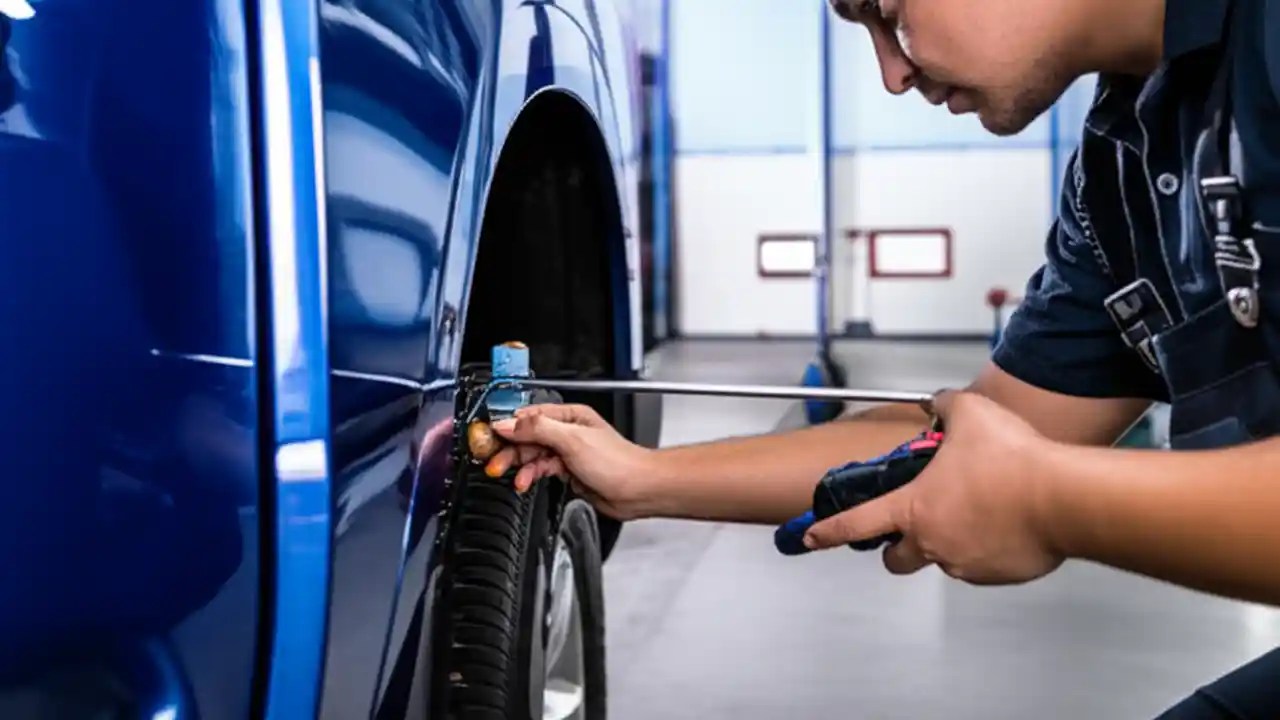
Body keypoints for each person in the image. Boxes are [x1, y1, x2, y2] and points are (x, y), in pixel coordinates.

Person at [489, 0, 1280, 715]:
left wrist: (1050, 501)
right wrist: (641, 478)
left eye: (888, 12)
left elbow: (1011, 473)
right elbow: (962, 441)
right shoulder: (1124, 168)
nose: (893, 74)